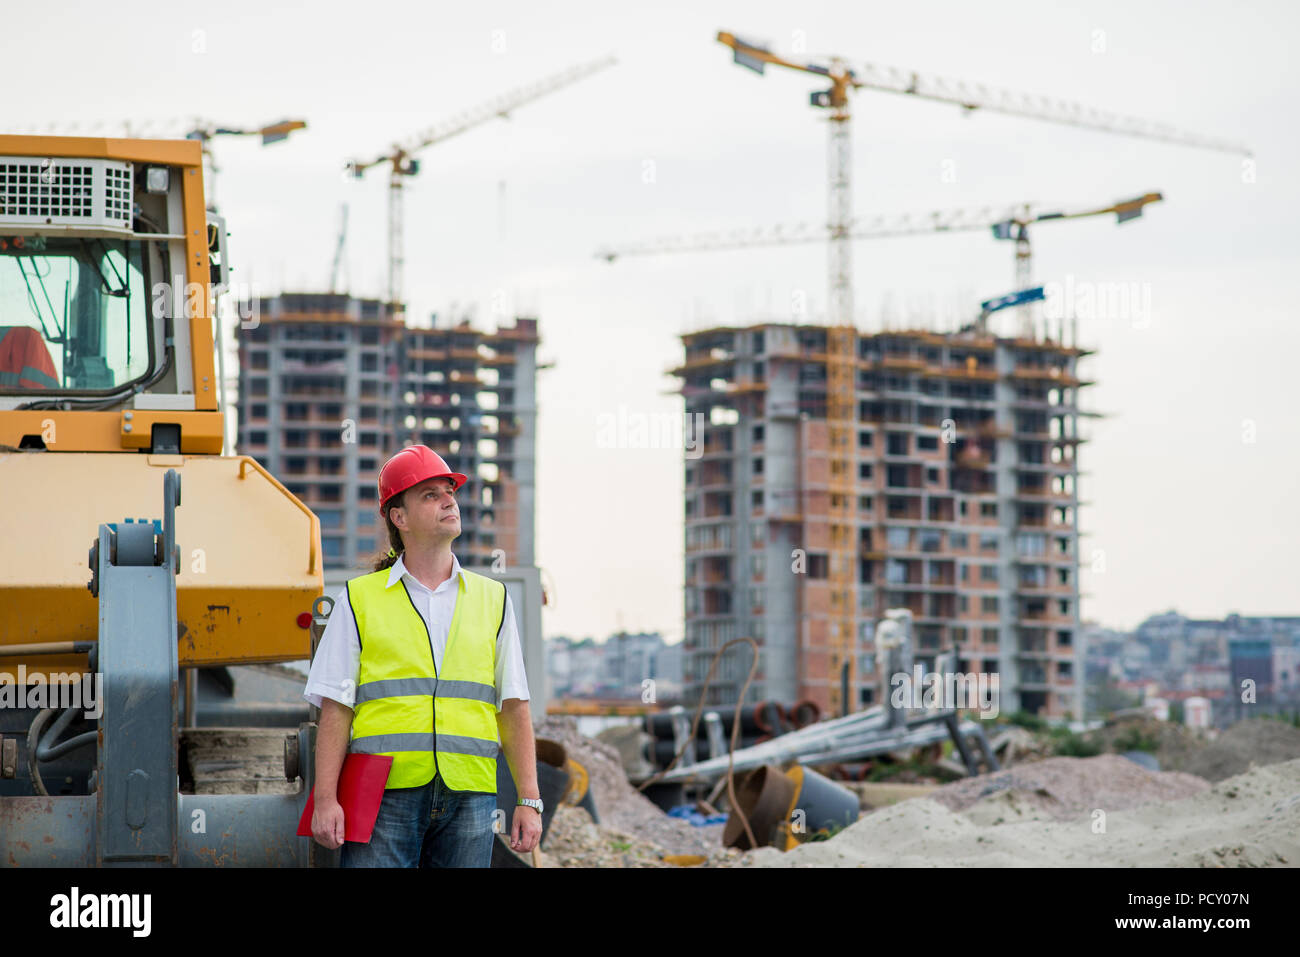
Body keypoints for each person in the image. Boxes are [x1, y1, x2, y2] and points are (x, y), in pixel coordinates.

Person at [303, 445, 541, 867]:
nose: (449, 500)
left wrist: (529, 799)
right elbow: (336, 706)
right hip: (383, 792)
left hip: (469, 794)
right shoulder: (360, 600)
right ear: (399, 517)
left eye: (449, 491)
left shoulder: (493, 598)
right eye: (430, 494)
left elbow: (514, 704)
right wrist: (325, 799)